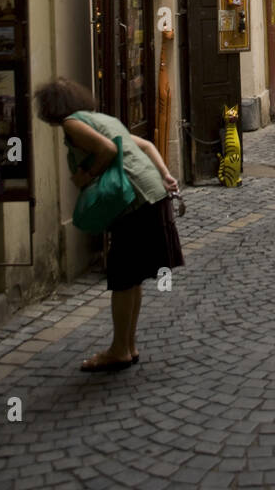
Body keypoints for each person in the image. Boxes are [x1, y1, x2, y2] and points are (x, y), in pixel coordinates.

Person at [34, 78, 183, 371]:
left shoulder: (72, 124)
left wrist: (85, 175)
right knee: (132, 277)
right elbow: (147, 145)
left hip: (133, 200)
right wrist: (166, 175)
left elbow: (108, 151)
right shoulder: (103, 119)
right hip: (151, 194)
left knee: (122, 276)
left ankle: (119, 350)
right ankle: (128, 345)